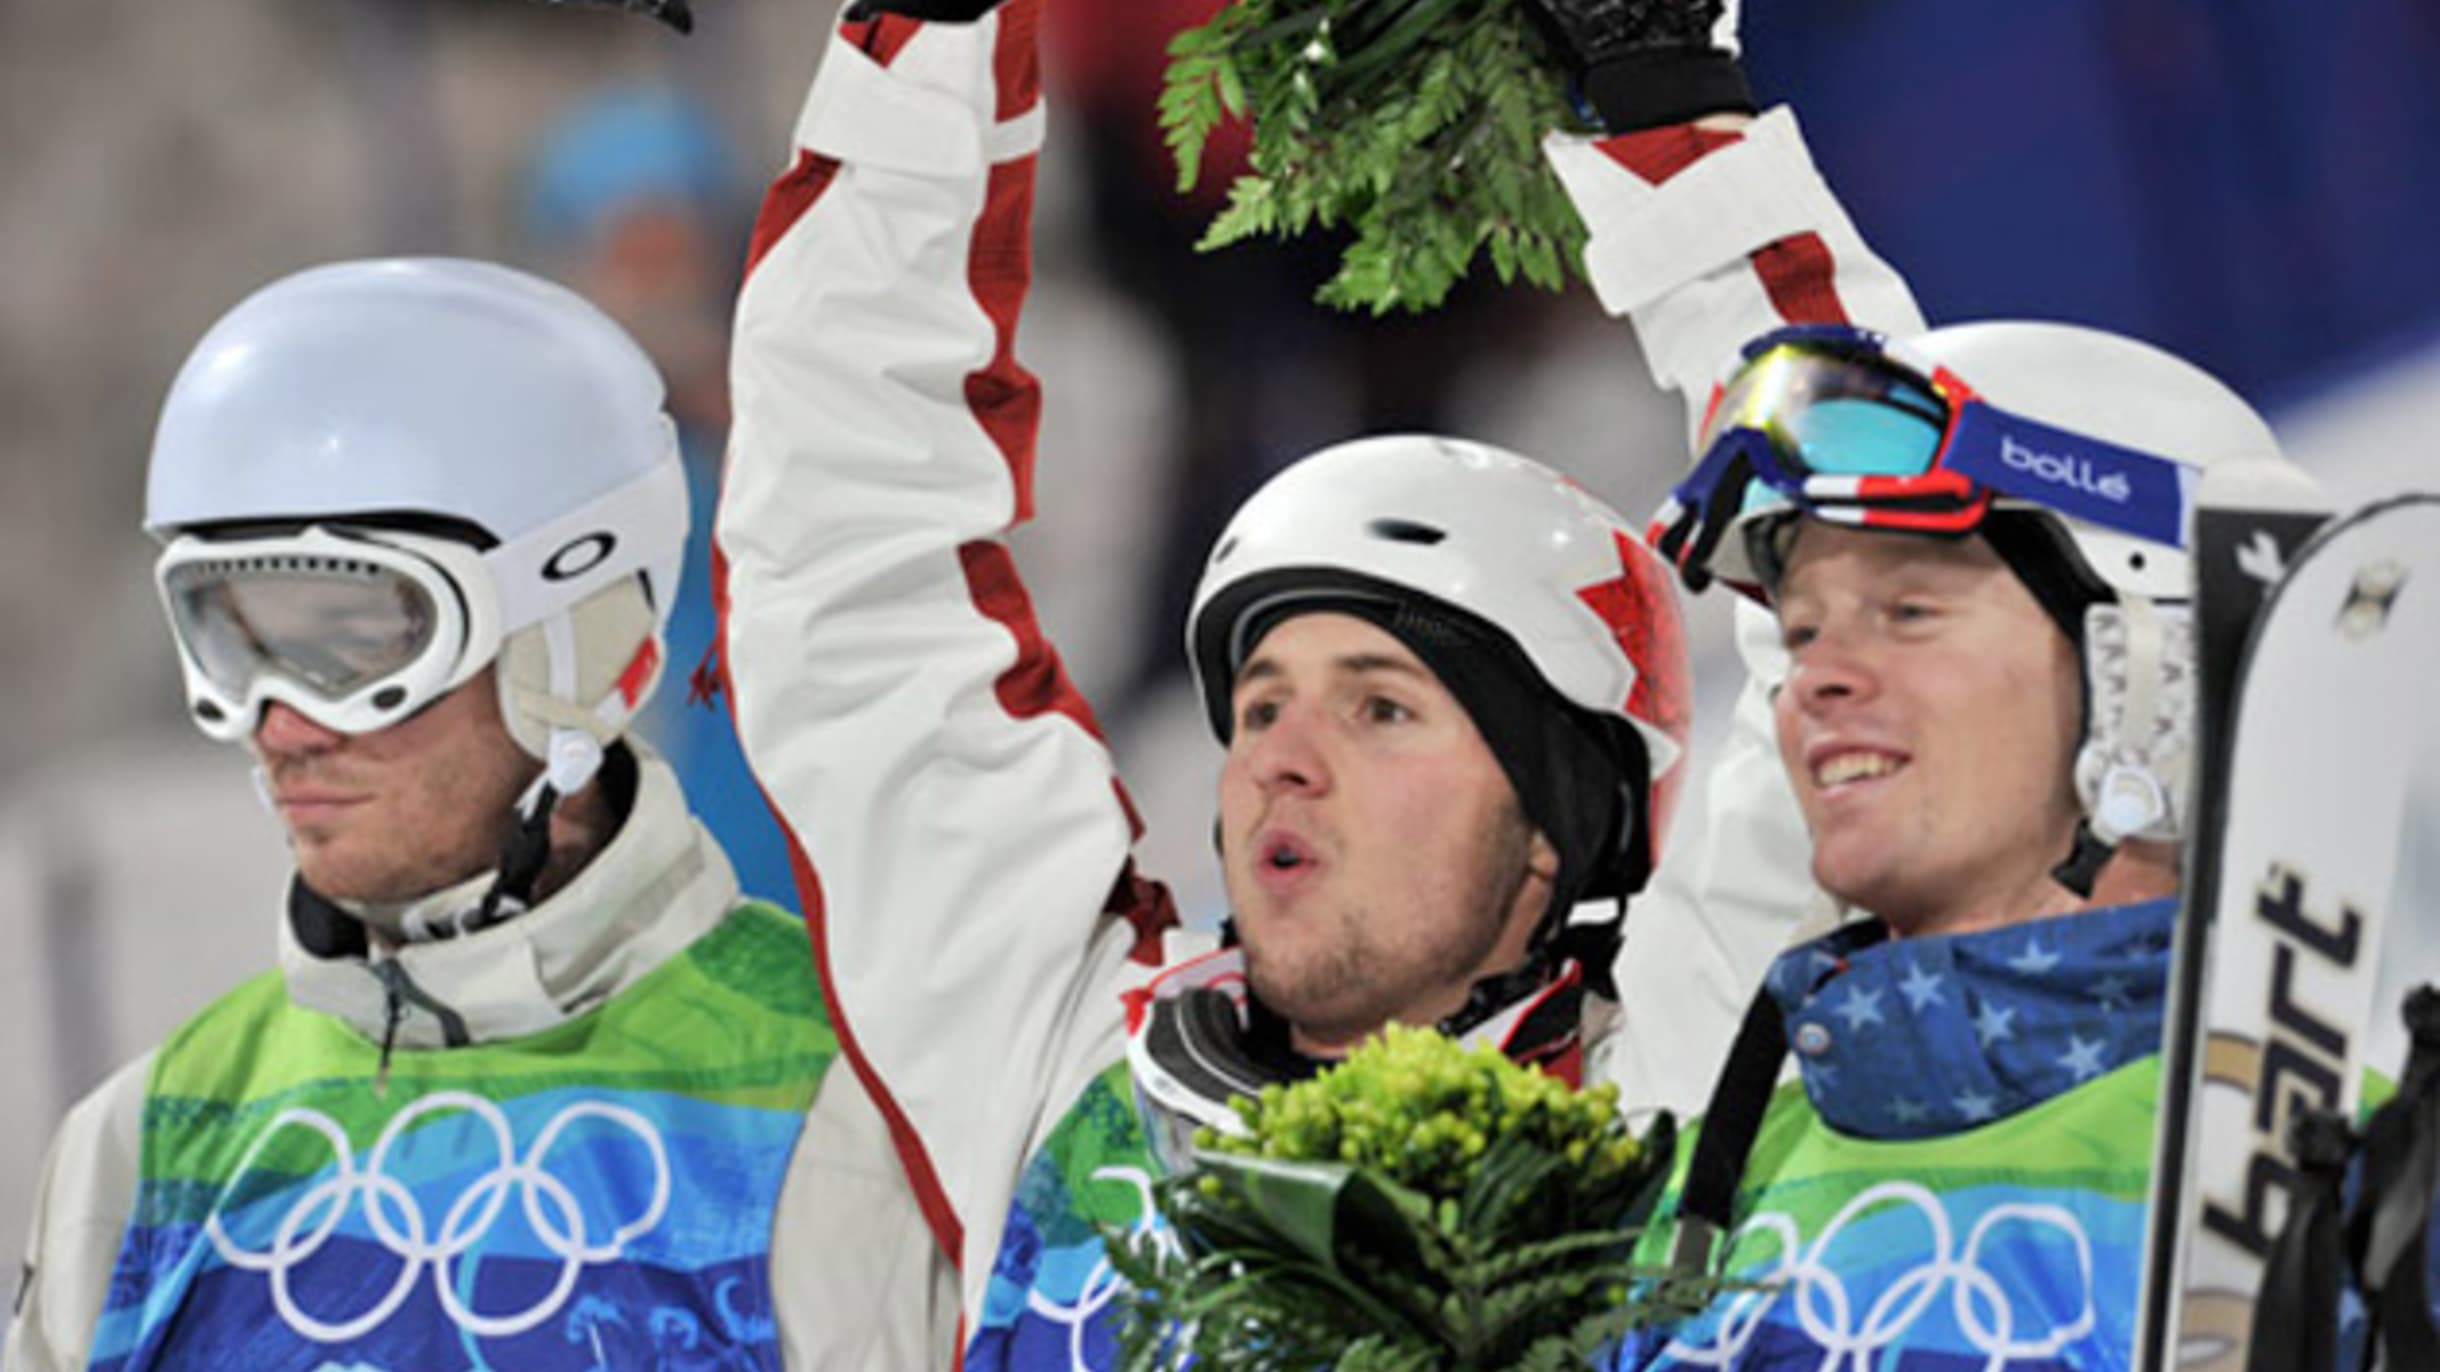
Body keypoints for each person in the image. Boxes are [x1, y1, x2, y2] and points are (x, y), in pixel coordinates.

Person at [708, 0, 1930, 1363]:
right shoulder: (1053, 1077)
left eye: (1382, 706)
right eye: (1263, 702)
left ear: (1556, 826)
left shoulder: (1683, 1105)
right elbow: (845, 568)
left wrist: (1677, 121)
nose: (1278, 759)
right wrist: (928, 34)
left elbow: (1883, 574)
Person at [1516, 5, 2324, 1362]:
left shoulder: (2373, 1179)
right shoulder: (1684, 1132)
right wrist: (1666, 115)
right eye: (1802, 628)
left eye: (1907, 610)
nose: (1813, 679)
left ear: (2157, 660)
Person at [2, 259, 950, 1371]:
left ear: (582, 643)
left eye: (357, 640)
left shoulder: (846, 1105)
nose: (282, 725)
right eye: (236, 639)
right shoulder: (147, 1141)